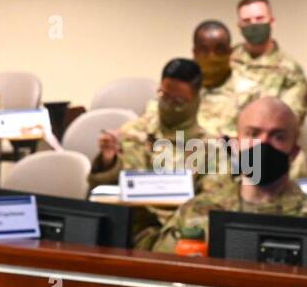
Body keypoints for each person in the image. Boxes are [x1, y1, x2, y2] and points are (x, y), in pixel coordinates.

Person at [152, 96, 307, 253]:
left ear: (294, 152)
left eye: (278, 136)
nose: (263, 143)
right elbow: (160, 272)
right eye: (253, 133)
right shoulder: (197, 210)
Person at [90, 58, 227, 250]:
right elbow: (106, 190)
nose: (168, 105)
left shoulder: (211, 144)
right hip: (135, 226)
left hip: (184, 229)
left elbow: (213, 201)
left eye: (178, 101)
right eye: (164, 95)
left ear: (195, 100)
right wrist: (108, 161)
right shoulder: (134, 132)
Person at [231, 0, 307, 177]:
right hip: (229, 149)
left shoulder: (289, 70)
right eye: (247, 21)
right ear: (239, 26)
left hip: (270, 150)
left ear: (271, 22)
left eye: (259, 19)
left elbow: (289, 121)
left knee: (296, 162)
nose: (254, 25)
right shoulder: (226, 63)